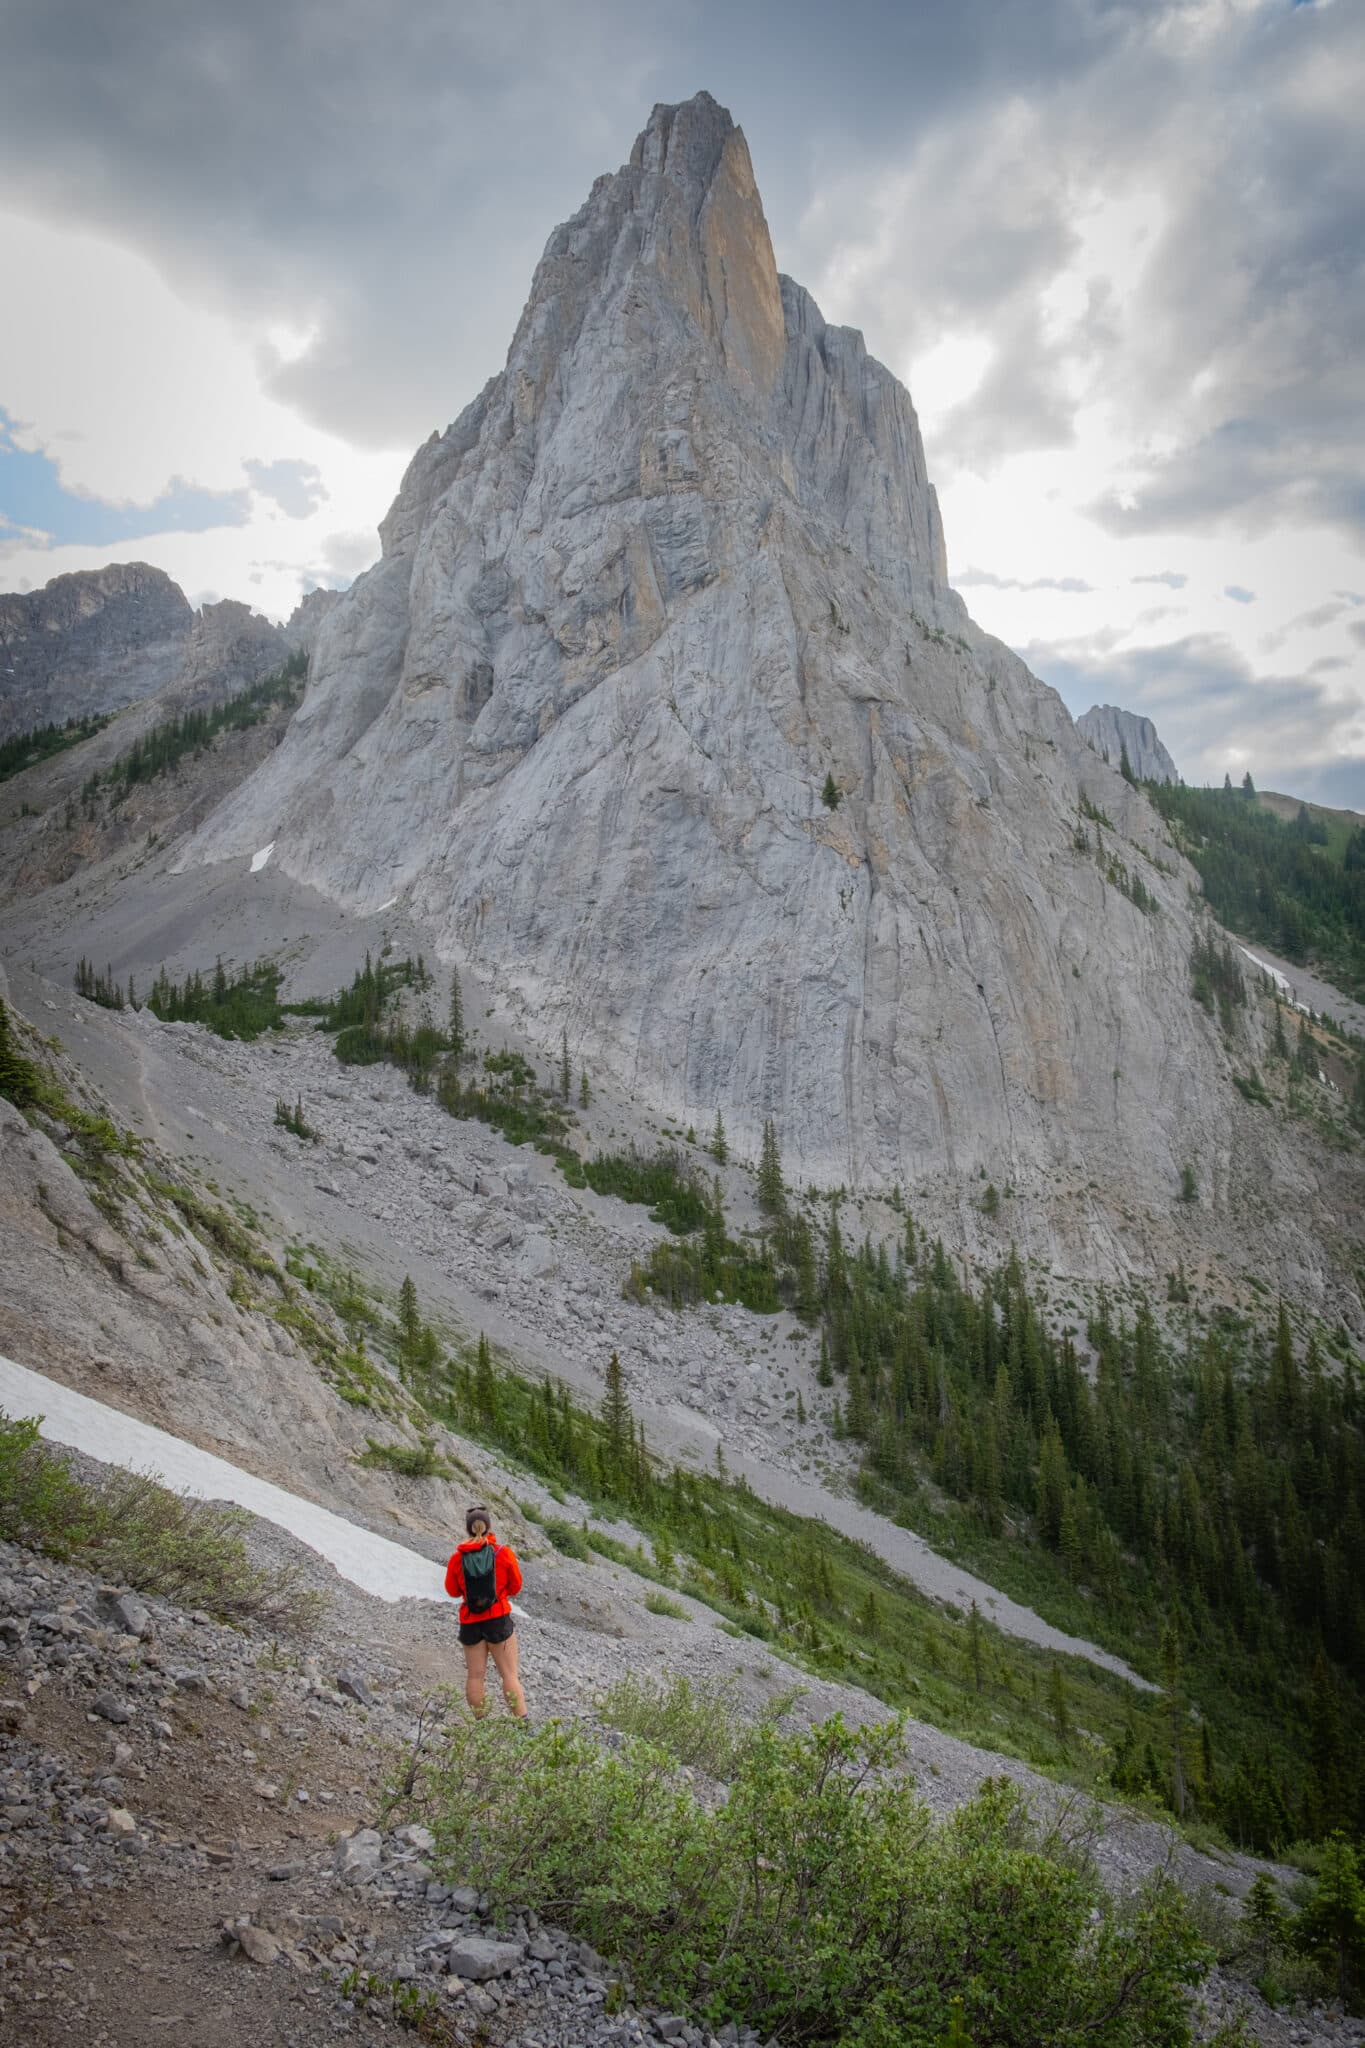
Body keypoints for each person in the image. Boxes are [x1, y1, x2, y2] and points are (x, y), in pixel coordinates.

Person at [445, 1505, 526, 1719]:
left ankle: (481, 1725)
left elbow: (452, 1591)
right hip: (498, 1618)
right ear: (489, 1527)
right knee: (509, 1674)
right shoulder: (502, 1553)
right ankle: (522, 1722)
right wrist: (500, 1594)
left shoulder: (457, 1559)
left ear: (468, 1529)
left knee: (475, 1677)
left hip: (470, 1622)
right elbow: (516, 1585)